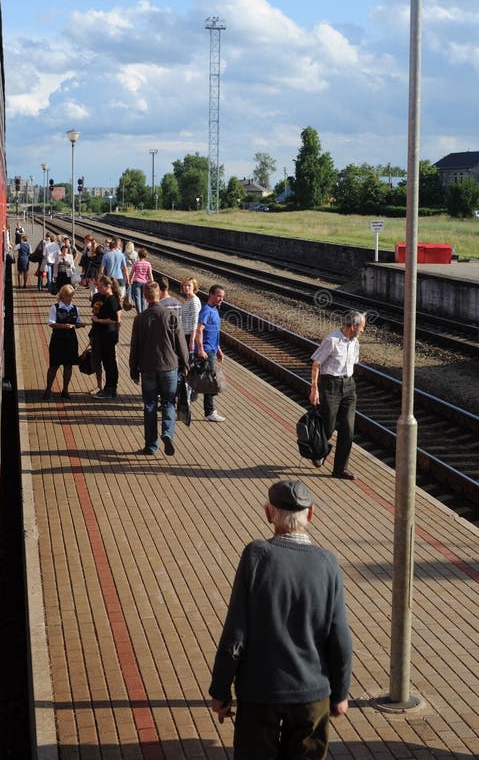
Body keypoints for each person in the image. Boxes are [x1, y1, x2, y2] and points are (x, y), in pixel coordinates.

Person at [209, 480, 352, 760]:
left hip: (260, 692)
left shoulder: (256, 556)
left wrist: (221, 689)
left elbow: (236, 633)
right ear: (310, 514)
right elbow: (341, 639)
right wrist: (340, 694)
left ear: (268, 513)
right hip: (312, 694)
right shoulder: (328, 563)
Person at [129, 281, 189, 456]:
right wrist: (185, 364)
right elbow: (181, 343)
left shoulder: (139, 319)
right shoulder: (171, 316)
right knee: (169, 402)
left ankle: (151, 446)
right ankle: (167, 433)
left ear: (146, 297)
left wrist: (133, 370)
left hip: (147, 368)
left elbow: (135, 347)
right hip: (170, 367)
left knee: (150, 406)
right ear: (159, 295)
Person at [309, 310, 366, 481]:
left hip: (348, 386)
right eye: (362, 326)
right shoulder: (331, 340)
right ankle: (317, 451)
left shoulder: (355, 343)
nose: (363, 330)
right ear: (353, 325)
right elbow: (316, 364)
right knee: (328, 426)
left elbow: (353, 363)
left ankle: (340, 469)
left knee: (348, 429)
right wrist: (314, 389)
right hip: (330, 386)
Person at [43, 284, 84, 399]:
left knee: (68, 366)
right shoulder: (55, 307)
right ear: (62, 296)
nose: (70, 299)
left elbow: (77, 322)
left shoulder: (75, 308)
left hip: (71, 340)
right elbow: (51, 323)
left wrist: (80, 325)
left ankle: (65, 389)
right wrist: (63, 326)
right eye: (68, 296)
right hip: (57, 340)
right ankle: (48, 389)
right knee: (54, 365)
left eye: (71, 296)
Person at [195, 284, 226, 423]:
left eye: (222, 297)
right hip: (206, 351)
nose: (221, 299)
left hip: (212, 350)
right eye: (219, 296)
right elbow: (199, 330)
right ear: (211, 294)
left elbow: (214, 332)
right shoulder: (206, 310)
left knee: (203, 379)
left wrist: (219, 350)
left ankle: (185, 401)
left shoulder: (215, 310)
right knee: (210, 381)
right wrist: (200, 349)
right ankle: (209, 412)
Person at [90, 275, 121, 398]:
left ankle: (110, 389)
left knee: (109, 363)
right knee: (108, 362)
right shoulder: (107, 298)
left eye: (100, 286)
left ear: (108, 286)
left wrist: (98, 320)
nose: (98, 288)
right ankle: (109, 388)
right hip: (104, 335)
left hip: (108, 335)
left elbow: (114, 319)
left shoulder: (112, 299)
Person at [181, 276, 201, 354]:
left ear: (194, 287)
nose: (186, 287)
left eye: (189, 285)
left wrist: (192, 340)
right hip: (185, 334)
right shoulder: (187, 300)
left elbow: (195, 321)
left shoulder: (194, 301)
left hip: (190, 336)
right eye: (185, 285)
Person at [130, 247, 154, 313]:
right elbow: (150, 274)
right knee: (143, 298)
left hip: (137, 282)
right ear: (145, 255)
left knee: (137, 298)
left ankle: (139, 313)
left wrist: (129, 280)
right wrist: (152, 282)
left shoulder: (136, 263)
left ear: (138, 255)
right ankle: (143, 312)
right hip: (145, 283)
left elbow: (131, 273)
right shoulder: (148, 264)